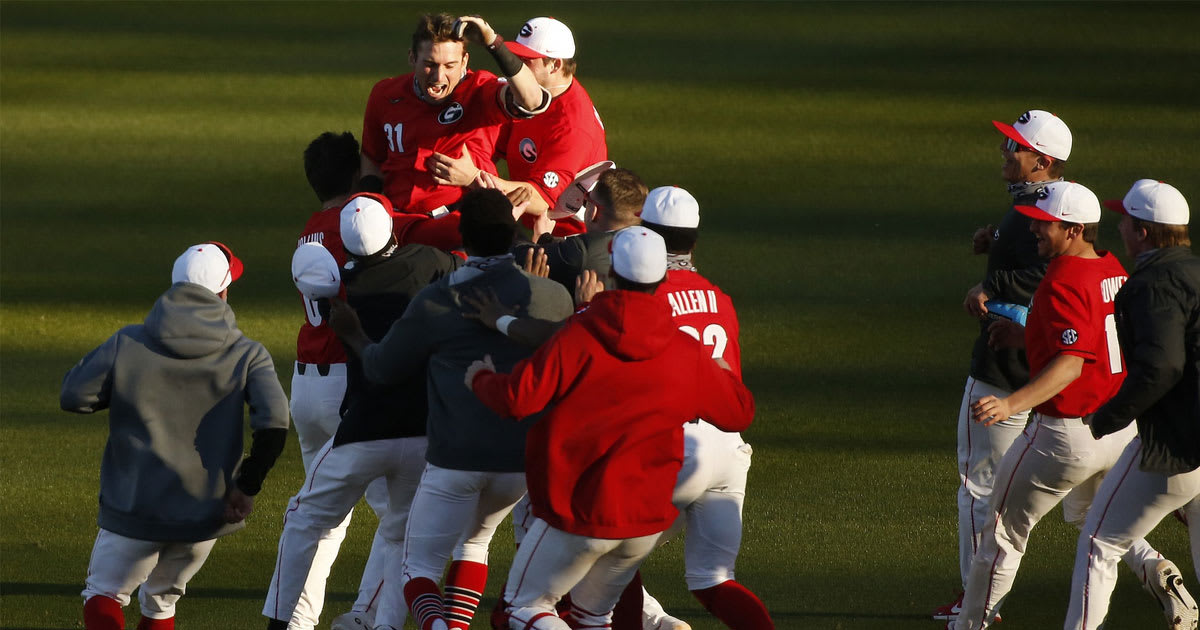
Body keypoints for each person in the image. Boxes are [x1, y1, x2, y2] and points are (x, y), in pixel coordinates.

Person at [464, 225, 756, 630]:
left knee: (521, 609)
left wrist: (480, 380)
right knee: (593, 618)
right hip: (644, 519)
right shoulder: (684, 349)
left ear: (613, 273)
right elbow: (738, 414)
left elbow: (517, 399)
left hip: (582, 507)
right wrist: (723, 375)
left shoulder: (580, 333)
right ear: (661, 279)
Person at [329, 188, 574, 630]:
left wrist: (354, 334)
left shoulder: (436, 300)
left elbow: (382, 368)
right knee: (475, 543)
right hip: (519, 463)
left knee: (415, 567)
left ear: (462, 234)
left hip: (454, 459)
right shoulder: (554, 296)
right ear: (513, 232)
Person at [952, 181, 1175, 630]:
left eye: (1044, 225)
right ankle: (1156, 569)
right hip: (1117, 427)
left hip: (1065, 434)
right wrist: (1025, 336)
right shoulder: (1113, 269)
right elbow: (1091, 337)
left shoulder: (1061, 280)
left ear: (1073, 231)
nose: (1033, 230)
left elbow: (1071, 364)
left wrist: (1009, 403)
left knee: (1001, 532)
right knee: (1097, 524)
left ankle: (969, 625)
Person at [60, 242, 289, 630]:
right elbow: (275, 424)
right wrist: (245, 487)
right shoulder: (248, 353)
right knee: (161, 602)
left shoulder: (127, 341)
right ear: (223, 292)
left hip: (135, 507)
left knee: (104, 595)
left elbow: (74, 396)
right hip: (206, 515)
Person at [265, 197, 462, 630]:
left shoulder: (344, 286)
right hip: (423, 433)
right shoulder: (427, 261)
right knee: (400, 536)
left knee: (305, 518)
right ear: (393, 231)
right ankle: (382, 624)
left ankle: (283, 624)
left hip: (364, 431)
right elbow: (463, 259)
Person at [937, 109, 1068, 621]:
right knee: (1090, 502)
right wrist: (996, 244)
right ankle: (1151, 567)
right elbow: (1052, 252)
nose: (1005, 152)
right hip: (1050, 367)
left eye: (1015, 146)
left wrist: (993, 285)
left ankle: (974, 604)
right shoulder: (1051, 205)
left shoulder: (1034, 210)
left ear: (1043, 161)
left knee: (979, 487)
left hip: (1003, 367)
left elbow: (1053, 270)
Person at [1064, 180, 1199, 630]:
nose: (1118, 225)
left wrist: (1108, 417)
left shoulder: (1153, 283)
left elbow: (1161, 368)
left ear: (1142, 232)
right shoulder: (1195, 271)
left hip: (1176, 447)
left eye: (1125, 219)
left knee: (1100, 541)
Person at [288, 131, 392, 630]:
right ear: (356, 176)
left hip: (305, 387)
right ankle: (366, 618)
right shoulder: (353, 224)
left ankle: (298, 621)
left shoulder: (310, 228)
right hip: (343, 387)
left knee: (322, 518)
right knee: (399, 515)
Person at [428, 16, 607, 236]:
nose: (515, 67)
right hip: (526, 222)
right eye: (515, 56)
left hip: (565, 238)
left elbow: (541, 200)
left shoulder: (573, 127)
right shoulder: (535, 98)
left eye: (526, 60)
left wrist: (475, 178)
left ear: (555, 65)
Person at [360, 13, 549, 219]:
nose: (438, 76)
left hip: (462, 221)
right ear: (412, 58)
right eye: (430, 64)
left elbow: (532, 101)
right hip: (398, 221)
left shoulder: (480, 89)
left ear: (464, 61)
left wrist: (494, 43)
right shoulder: (386, 94)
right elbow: (372, 157)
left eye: (449, 66)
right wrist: (369, 205)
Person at [516, 166, 646, 296]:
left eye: (587, 199)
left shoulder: (582, 250)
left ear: (594, 211)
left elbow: (518, 256)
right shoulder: (653, 245)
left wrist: (507, 219)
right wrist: (545, 238)